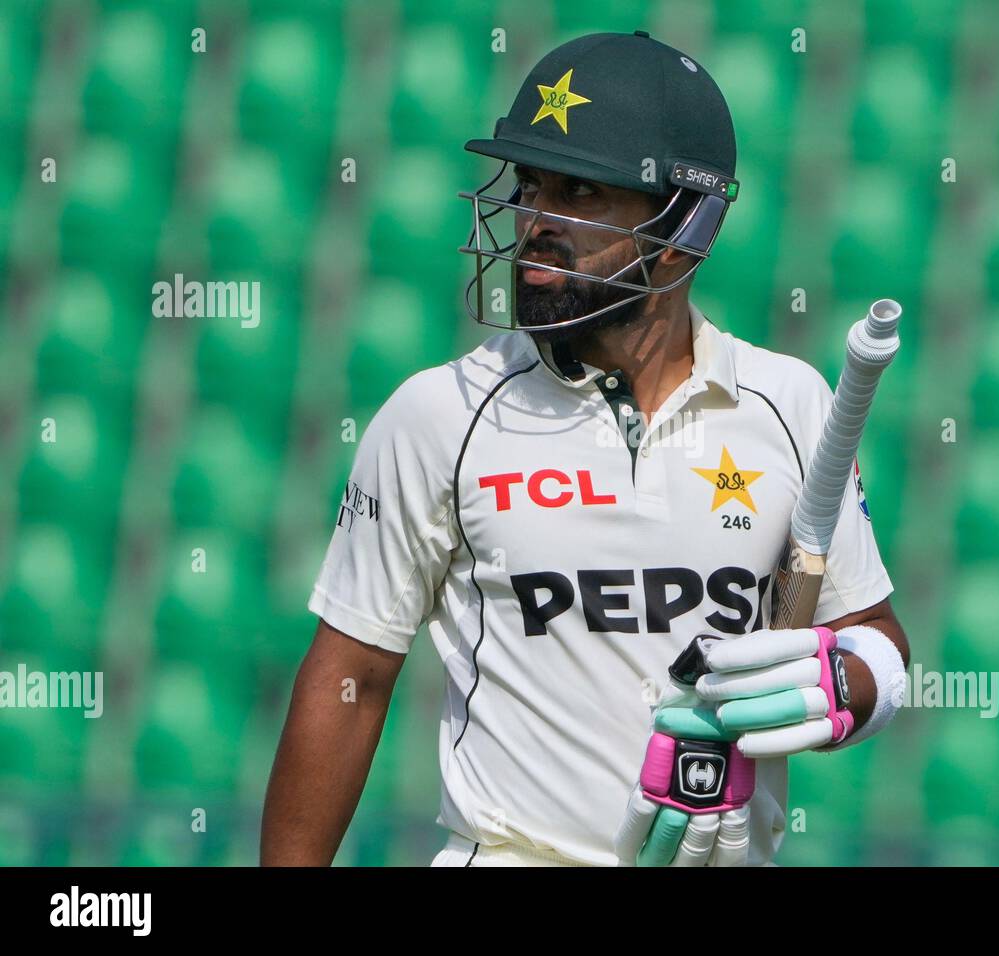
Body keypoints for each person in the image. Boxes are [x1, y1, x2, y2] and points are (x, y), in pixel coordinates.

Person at [261, 30, 909, 867]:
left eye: (580, 194)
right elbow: (350, 681)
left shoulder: (789, 405)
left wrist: (844, 685)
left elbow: (872, 634)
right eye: (531, 189)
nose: (536, 224)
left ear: (685, 226)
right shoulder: (440, 415)